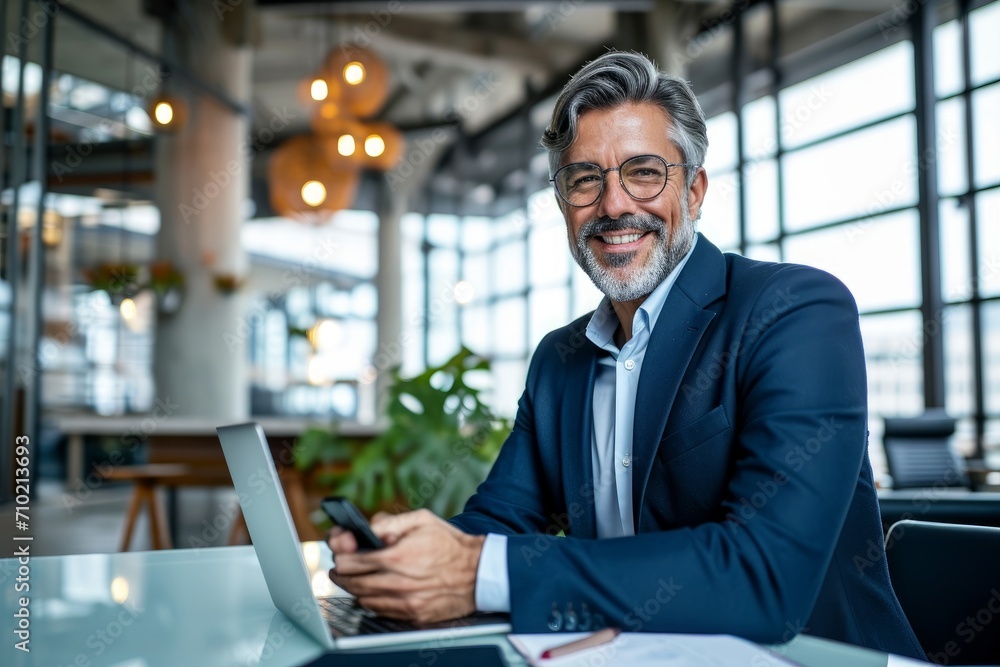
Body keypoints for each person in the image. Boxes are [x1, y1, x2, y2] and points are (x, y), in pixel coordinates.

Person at [328, 50, 925, 659]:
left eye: (644, 173)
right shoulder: (559, 361)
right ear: (564, 205)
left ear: (694, 190)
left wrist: (477, 569)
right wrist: (400, 561)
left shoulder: (796, 311)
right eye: (586, 179)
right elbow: (499, 525)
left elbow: (764, 577)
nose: (614, 205)